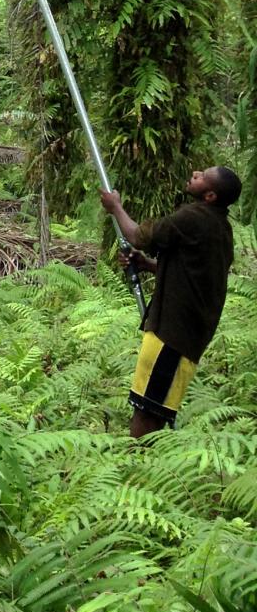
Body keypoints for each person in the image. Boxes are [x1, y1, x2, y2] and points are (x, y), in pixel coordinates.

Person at [99, 166, 241, 437]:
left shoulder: (194, 217)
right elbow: (193, 273)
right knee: (153, 407)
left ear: (210, 195)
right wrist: (149, 265)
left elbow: (139, 237)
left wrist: (115, 207)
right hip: (183, 334)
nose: (195, 173)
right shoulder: (220, 227)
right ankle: (144, 465)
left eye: (202, 177)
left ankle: (135, 469)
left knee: (147, 411)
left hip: (173, 335)